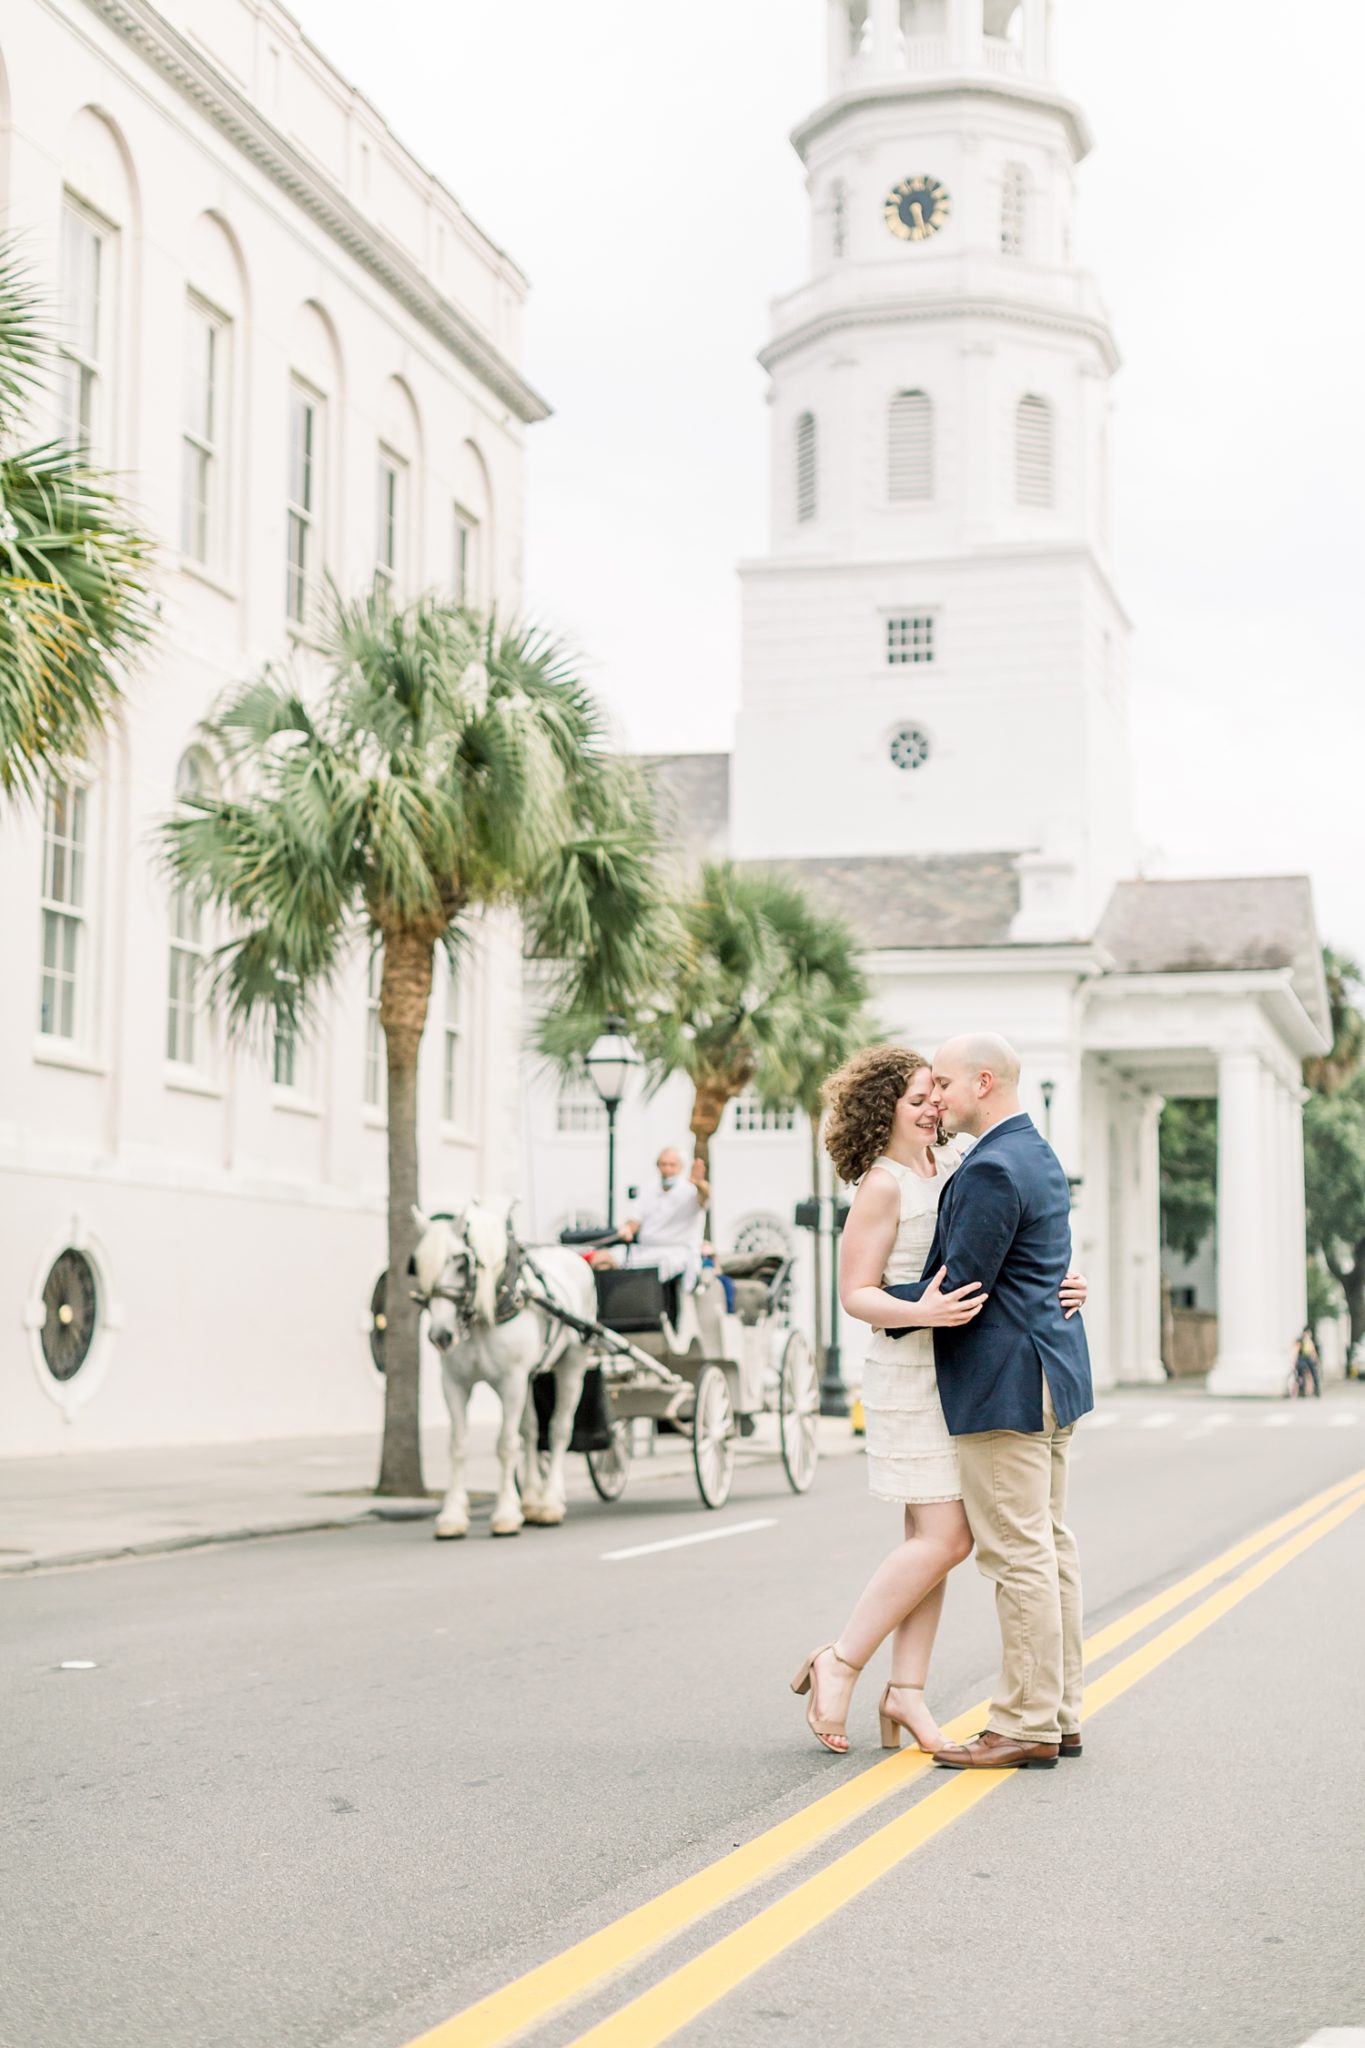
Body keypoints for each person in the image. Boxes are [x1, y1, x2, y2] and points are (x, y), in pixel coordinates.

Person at [792, 1042, 1088, 1760]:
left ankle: (906, 1693)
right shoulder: (882, 1184)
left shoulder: (962, 1162)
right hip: (914, 1371)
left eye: (936, 1092)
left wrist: (1064, 1279)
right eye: (918, 1098)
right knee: (945, 1540)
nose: (933, 1107)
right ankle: (844, 1660)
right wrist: (919, 1309)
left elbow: (1011, 1237)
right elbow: (854, 1293)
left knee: (935, 1545)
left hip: (965, 1366)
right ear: (884, 1110)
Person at [590, 1149, 709, 1288]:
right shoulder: (648, 1189)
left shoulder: (691, 1190)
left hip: (676, 1253)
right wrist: (627, 1229)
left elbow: (704, 1197)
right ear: (658, 1166)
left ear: (680, 1167)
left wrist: (700, 1183)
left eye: (672, 1165)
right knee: (600, 1259)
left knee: (646, 1275)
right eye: (663, 1164)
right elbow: (635, 1220)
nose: (667, 1169)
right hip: (644, 1249)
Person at [1292, 1325, 1321, 1398]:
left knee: (1314, 1372)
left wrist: (1316, 1359)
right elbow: (1296, 1351)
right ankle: (1302, 1390)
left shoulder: (1310, 1341)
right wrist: (1294, 1360)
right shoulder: (1300, 1341)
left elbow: (1313, 1351)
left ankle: (1316, 1389)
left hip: (1308, 1358)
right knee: (1301, 1372)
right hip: (1302, 1358)